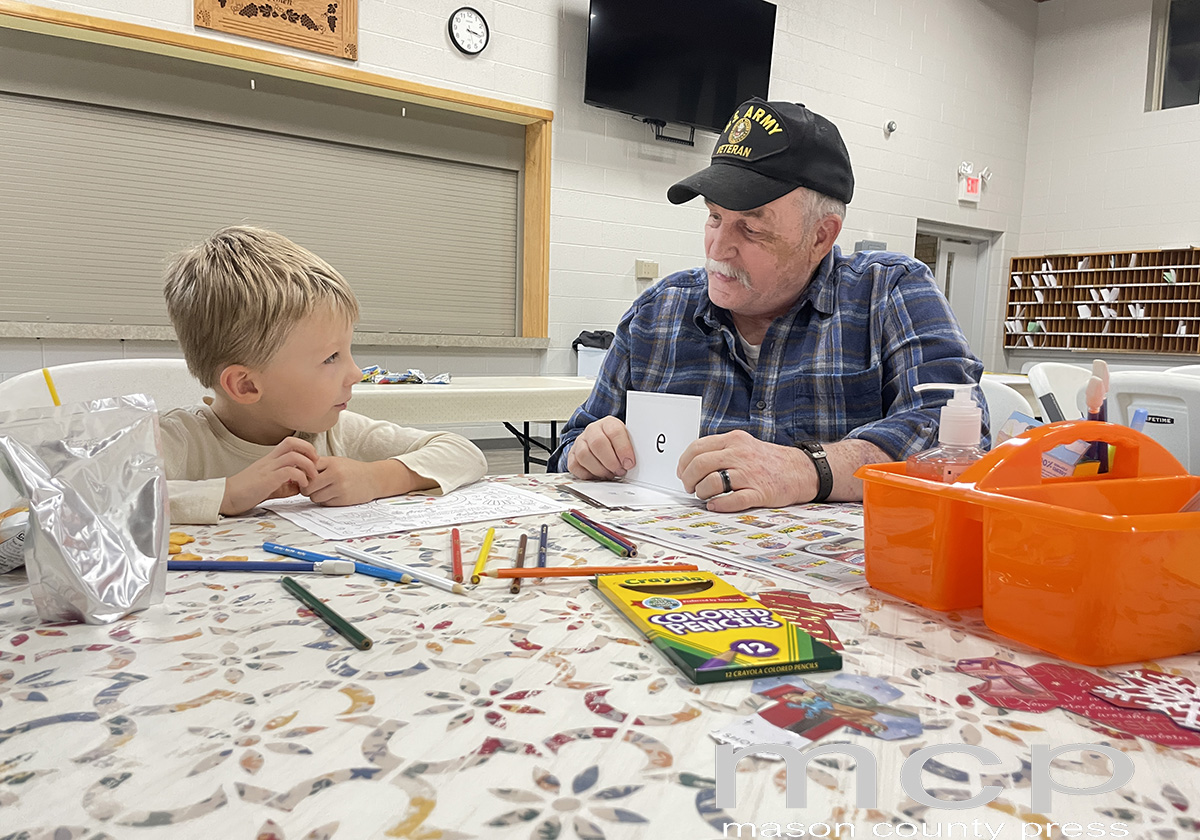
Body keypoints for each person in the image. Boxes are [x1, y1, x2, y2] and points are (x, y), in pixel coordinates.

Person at [551, 98, 985, 511]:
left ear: (821, 236)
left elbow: (956, 441)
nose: (718, 248)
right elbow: (570, 445)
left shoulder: (889, 294)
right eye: (714, 216)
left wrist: (807, 469)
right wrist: (586, 451)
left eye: (752, 230)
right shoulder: (657, 314)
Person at [160, 225, 487, 524]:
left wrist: (376, 478)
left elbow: (464, 454)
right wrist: (228, 493)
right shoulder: (179, 441)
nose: (356, 373)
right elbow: (112, 501)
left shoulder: (337, 433)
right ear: (246, 385)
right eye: (331, 357)